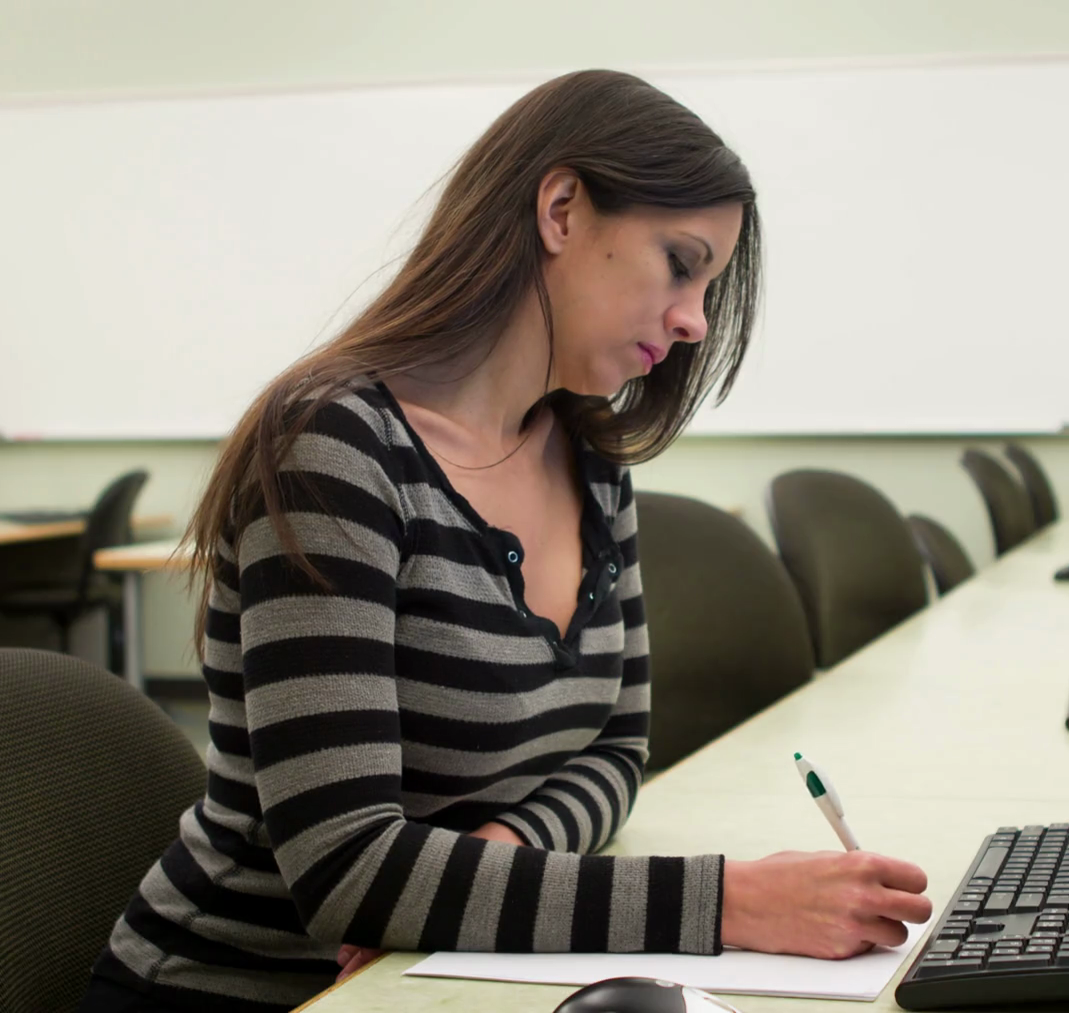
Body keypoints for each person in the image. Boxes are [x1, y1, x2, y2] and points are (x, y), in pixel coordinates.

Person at [81, 69, 932, 1013]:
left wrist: (499, 851)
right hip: (253, 993)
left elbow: (616, 749)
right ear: (562, 209)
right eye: (682, 262)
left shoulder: (590, 460)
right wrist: (732, 900)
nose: (695, 320)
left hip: (442, 978)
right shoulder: (335, 447)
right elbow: (348, 871)